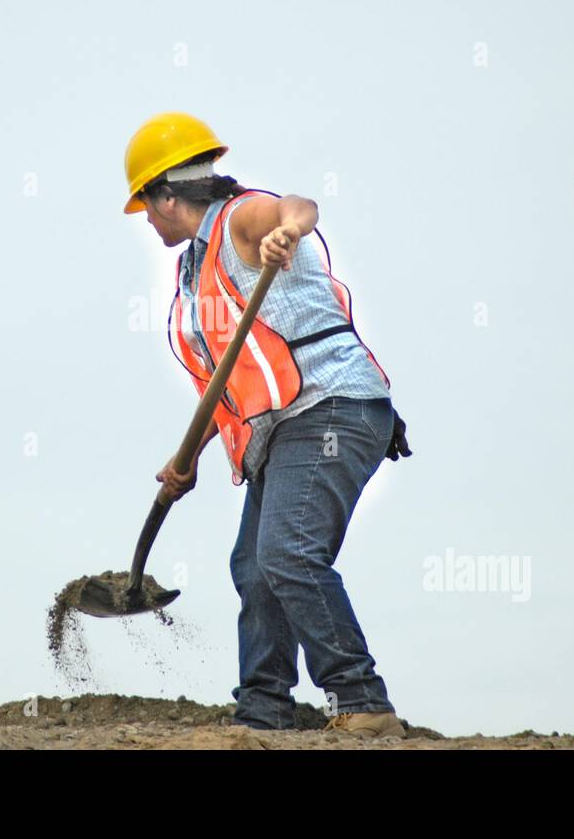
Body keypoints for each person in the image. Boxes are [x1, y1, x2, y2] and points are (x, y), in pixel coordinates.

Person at [122, 111, 413, 737]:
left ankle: (363, 702)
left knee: (287, 552)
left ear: (168, 195)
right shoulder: (193, 271)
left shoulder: (242, 221)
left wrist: (288, 232)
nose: (145, 220)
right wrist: (190, 458)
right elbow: (222, 385)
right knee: (255, 566)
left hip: (332, 407)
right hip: (282, 430)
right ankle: (264, 710)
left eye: (145, 204)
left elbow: (298, 206)